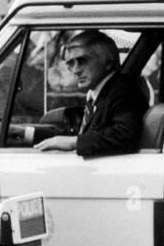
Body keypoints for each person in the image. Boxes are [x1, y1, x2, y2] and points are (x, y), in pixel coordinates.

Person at [9, 30, 148, 157]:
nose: (75, 70)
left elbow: (126, 135)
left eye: (82, 61)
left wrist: (74, 142)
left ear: (108, 62)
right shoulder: (100, 93)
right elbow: (78, 134)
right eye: (70, 63)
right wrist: (24, 132)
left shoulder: (124, 92)